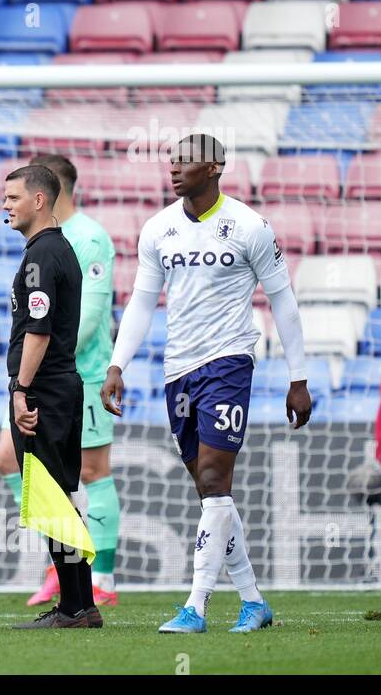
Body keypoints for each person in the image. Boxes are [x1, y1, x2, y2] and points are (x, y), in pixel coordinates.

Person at [101, 134, 311, 634]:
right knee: (210, 495)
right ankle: (254, 602)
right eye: (172, 160)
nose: (174, 167)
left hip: (229, 363)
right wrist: (117, 366)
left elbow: (283, 300)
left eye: (186, 160)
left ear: (216, 167)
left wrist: (298, 377)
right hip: (179, 371)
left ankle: (195, 606)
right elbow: (142, 301)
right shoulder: (157, 229)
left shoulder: (250, 226)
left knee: (216, 482)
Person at [0, 153, 121, 607]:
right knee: (55, 493)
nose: (4, 205)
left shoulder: (46, 253)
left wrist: (21, 389)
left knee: (54, 494)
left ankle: (82, 599)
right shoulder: (54, 248)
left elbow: (39, 328)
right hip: (60, 383)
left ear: (40, 199)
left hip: (48, 387)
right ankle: (78, 600)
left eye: (12, 197)